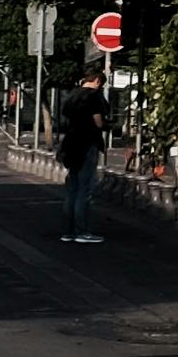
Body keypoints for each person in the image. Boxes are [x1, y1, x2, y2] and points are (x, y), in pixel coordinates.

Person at [57, 76, 106, 243]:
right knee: (84, 189)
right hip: (87, 144)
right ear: (97, 81)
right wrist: (106, 124)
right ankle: (82, 231)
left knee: (72, 188)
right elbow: (98, 122)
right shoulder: (93, 96)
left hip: (71, 144)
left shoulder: (72, 95)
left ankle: (68, 231)